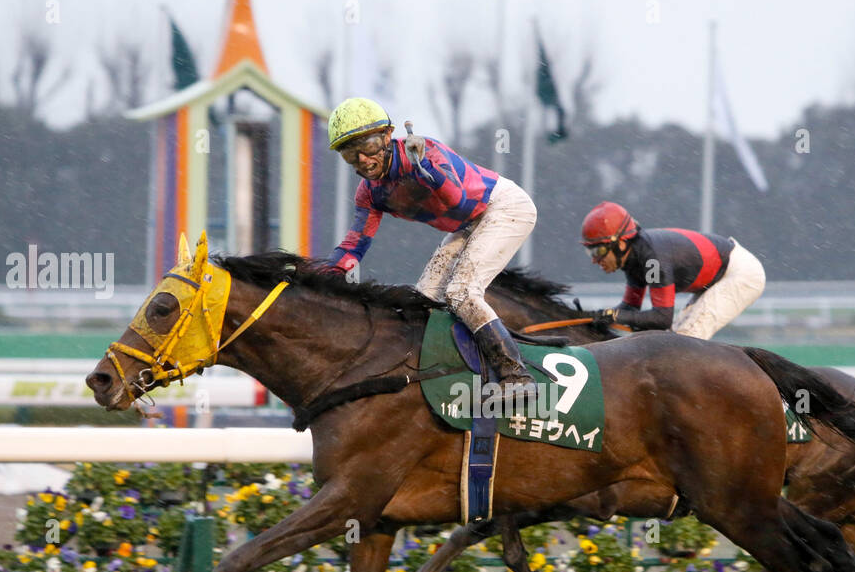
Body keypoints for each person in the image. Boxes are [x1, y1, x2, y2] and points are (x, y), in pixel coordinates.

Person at [325, 97, 538, 398]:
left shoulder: (428, 152)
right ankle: (451, 371)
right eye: (349, 152)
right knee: (423, 303)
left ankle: (517, 376)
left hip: (503, 207)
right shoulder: (369, 193)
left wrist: (424, 168)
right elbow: (355, 244)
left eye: (369, 145)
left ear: (388, 136)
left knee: (461, 293)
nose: (362, 159)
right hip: (470, 222)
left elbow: (459, 202)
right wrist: (323, 275)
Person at [579, 201, 766, 340]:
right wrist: (599, 316)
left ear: (620, 243)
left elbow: (661, 318)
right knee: (672, 339)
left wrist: (614, 316)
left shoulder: (652, 259)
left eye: (599, 250)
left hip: (739, 274)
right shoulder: (633, 258)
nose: (595, 260)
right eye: (590, 252)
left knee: (684, 341)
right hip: (719, 276)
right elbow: (630, 309)